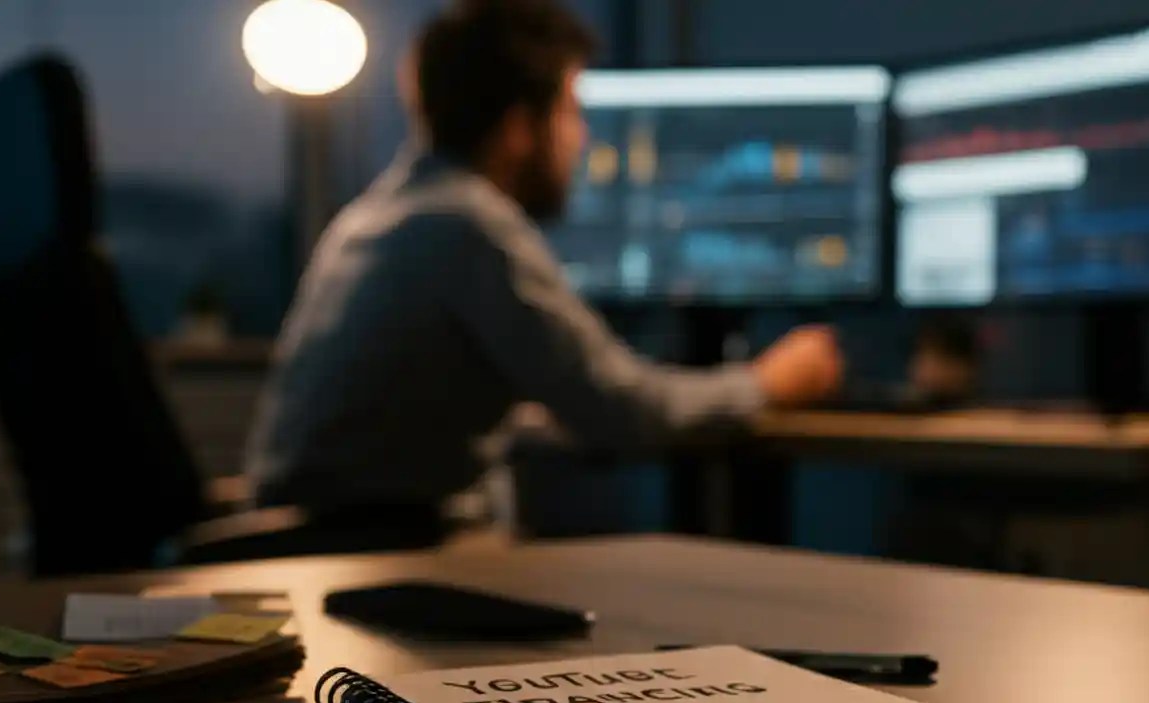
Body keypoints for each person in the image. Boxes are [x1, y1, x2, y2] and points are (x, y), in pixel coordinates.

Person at [245, 0, 844, 524]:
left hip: (315, 538)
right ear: (516, 128)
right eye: (570, 111)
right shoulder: (469, 225)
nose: (581, 138)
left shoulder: (374, 216)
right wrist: (767, 382)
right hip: (382, 550)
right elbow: (626, 412)